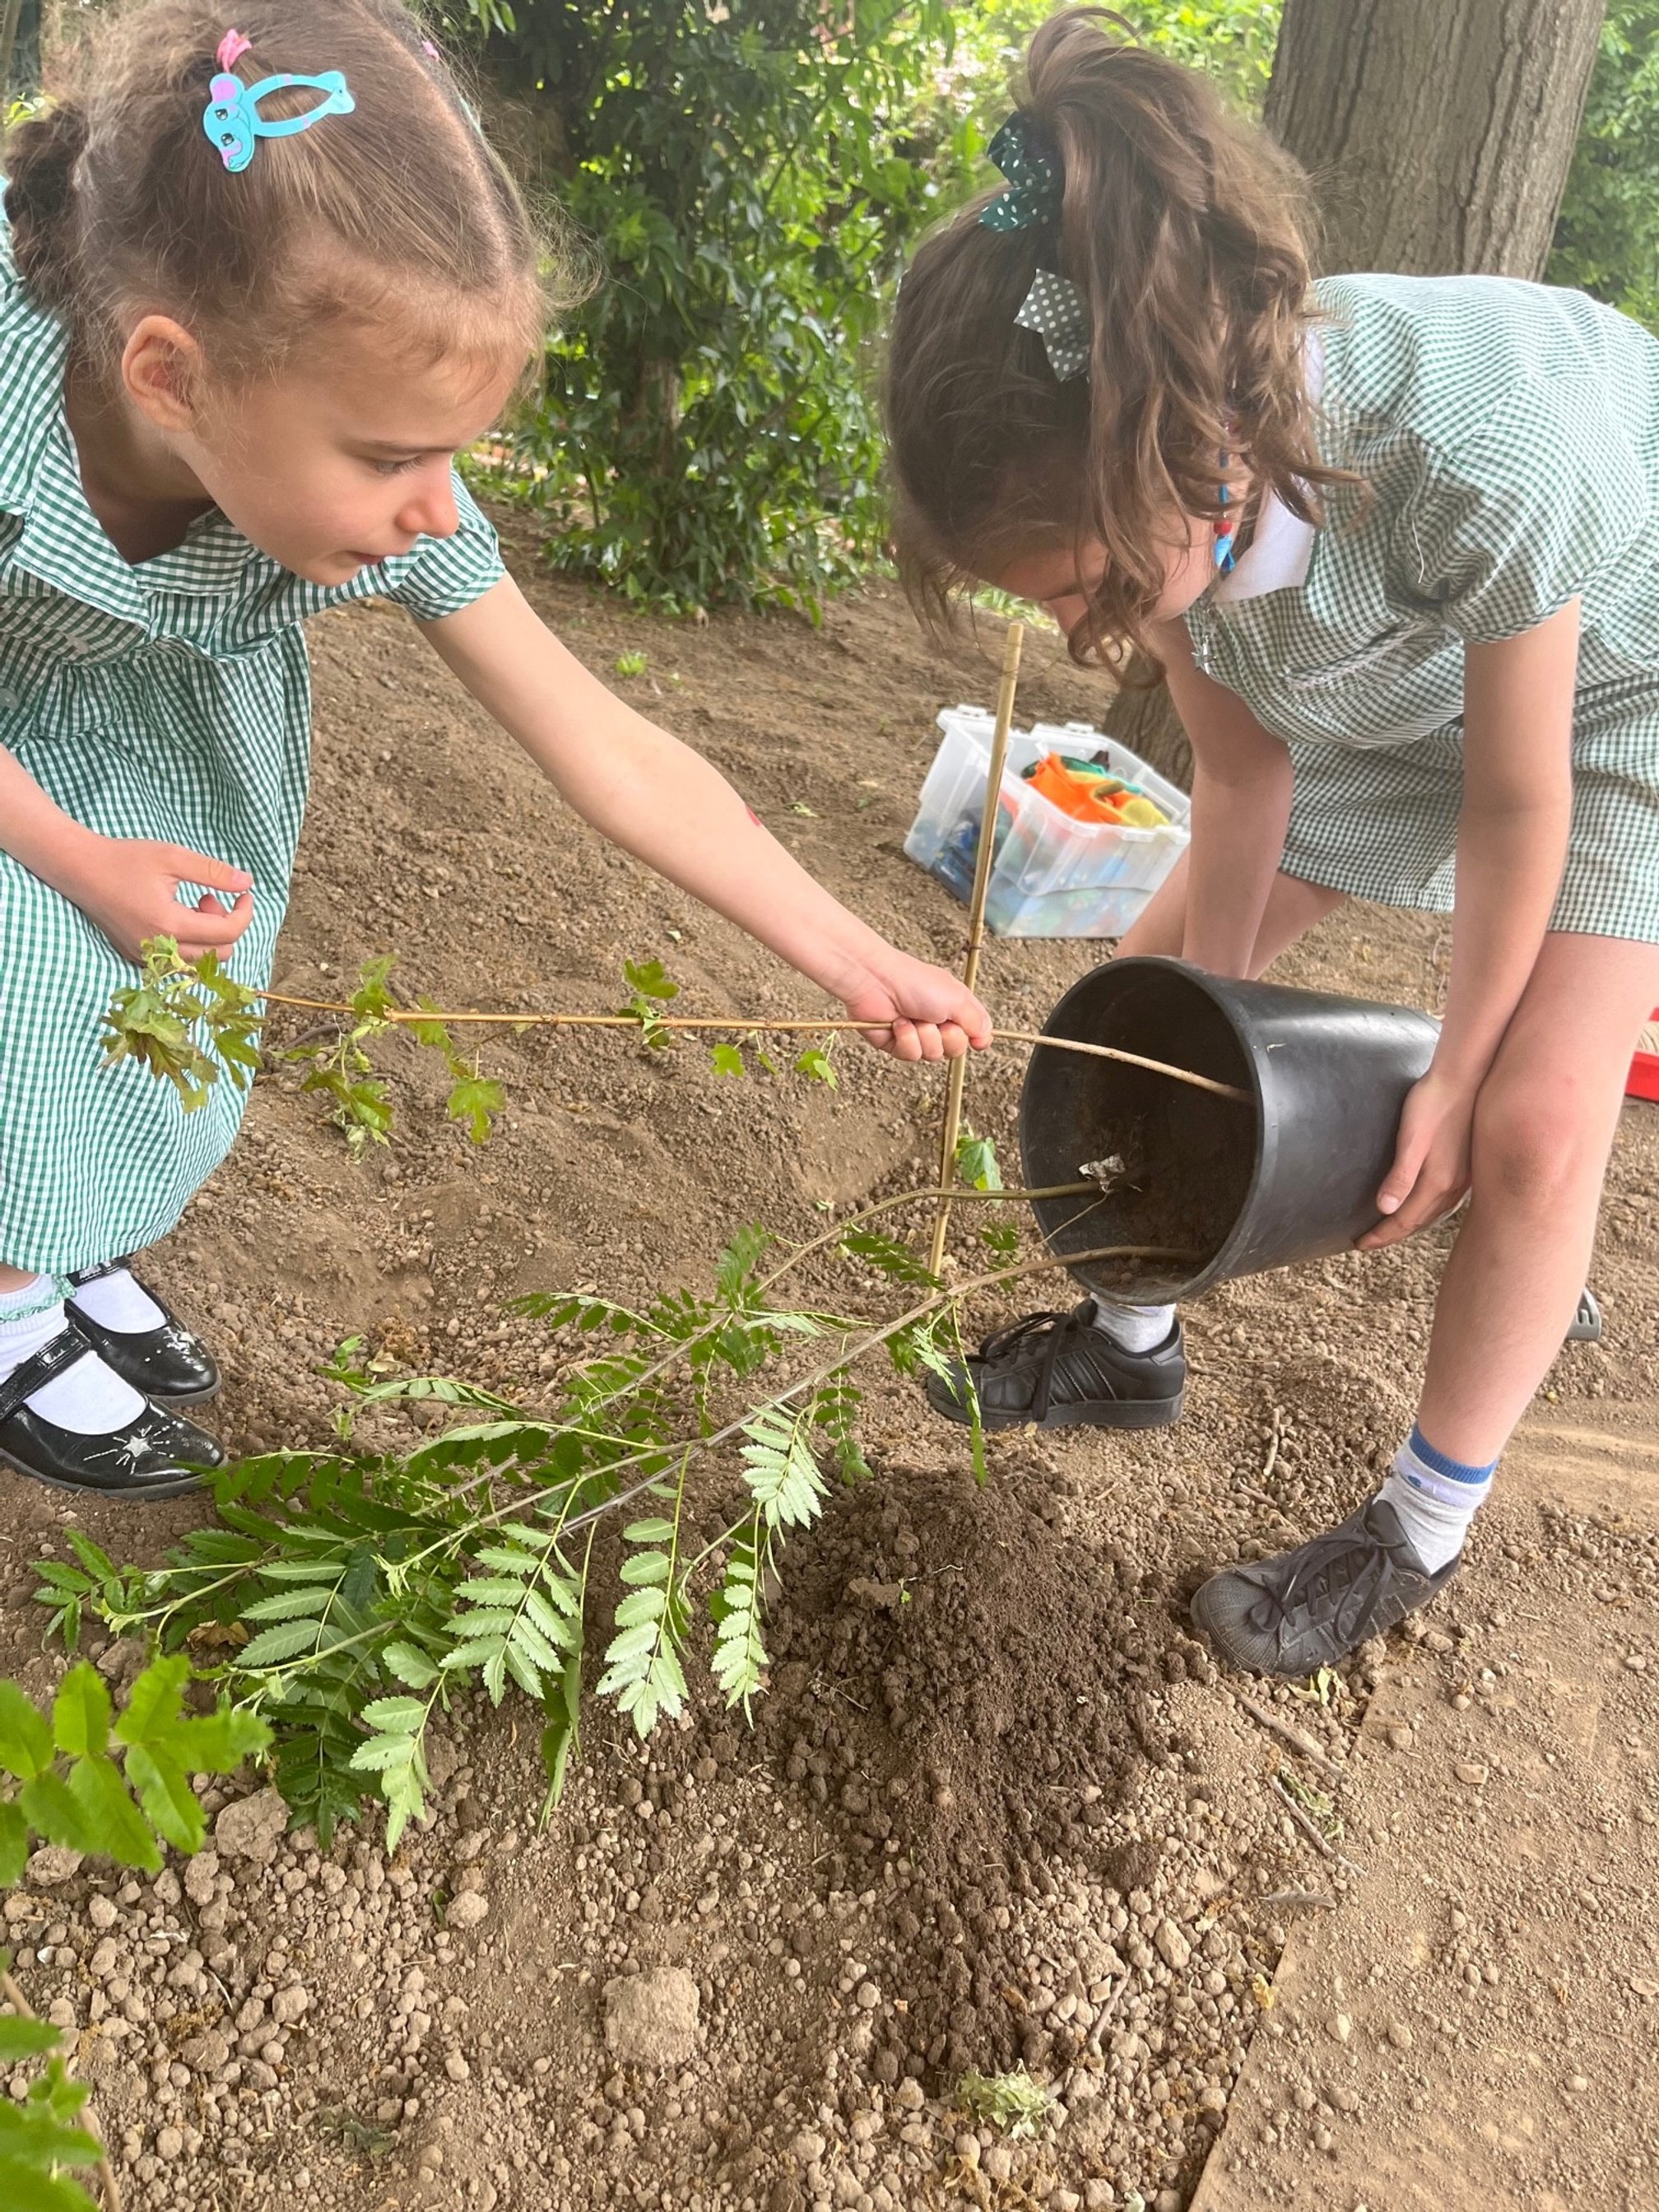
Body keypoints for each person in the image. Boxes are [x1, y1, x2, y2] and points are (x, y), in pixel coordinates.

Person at [0, 0, 989, 1503]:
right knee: (29, 964)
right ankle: (10, 1296)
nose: (438, 506)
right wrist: (74, 856)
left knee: (167, 1002)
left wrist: (859, 960)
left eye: (453, 454)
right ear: (170, 376)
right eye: (393, 458)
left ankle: (69, 1233)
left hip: (168, 737)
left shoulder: (349, 450)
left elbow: (605, 741)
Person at [881, 7, 1659, 1675]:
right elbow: (1243, 785)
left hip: (1623, 700)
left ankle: (1419, 1526)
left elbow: (1521, 803)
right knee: (1140, 997)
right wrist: (1192, 1040)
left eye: (1087, 588)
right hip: (1421, 675)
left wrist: (1456, 1073)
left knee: (1532, 1125)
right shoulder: (1162, 499)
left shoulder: (1474, 453)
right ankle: (1129, 1343)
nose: (1079, 627)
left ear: (1187, 456)